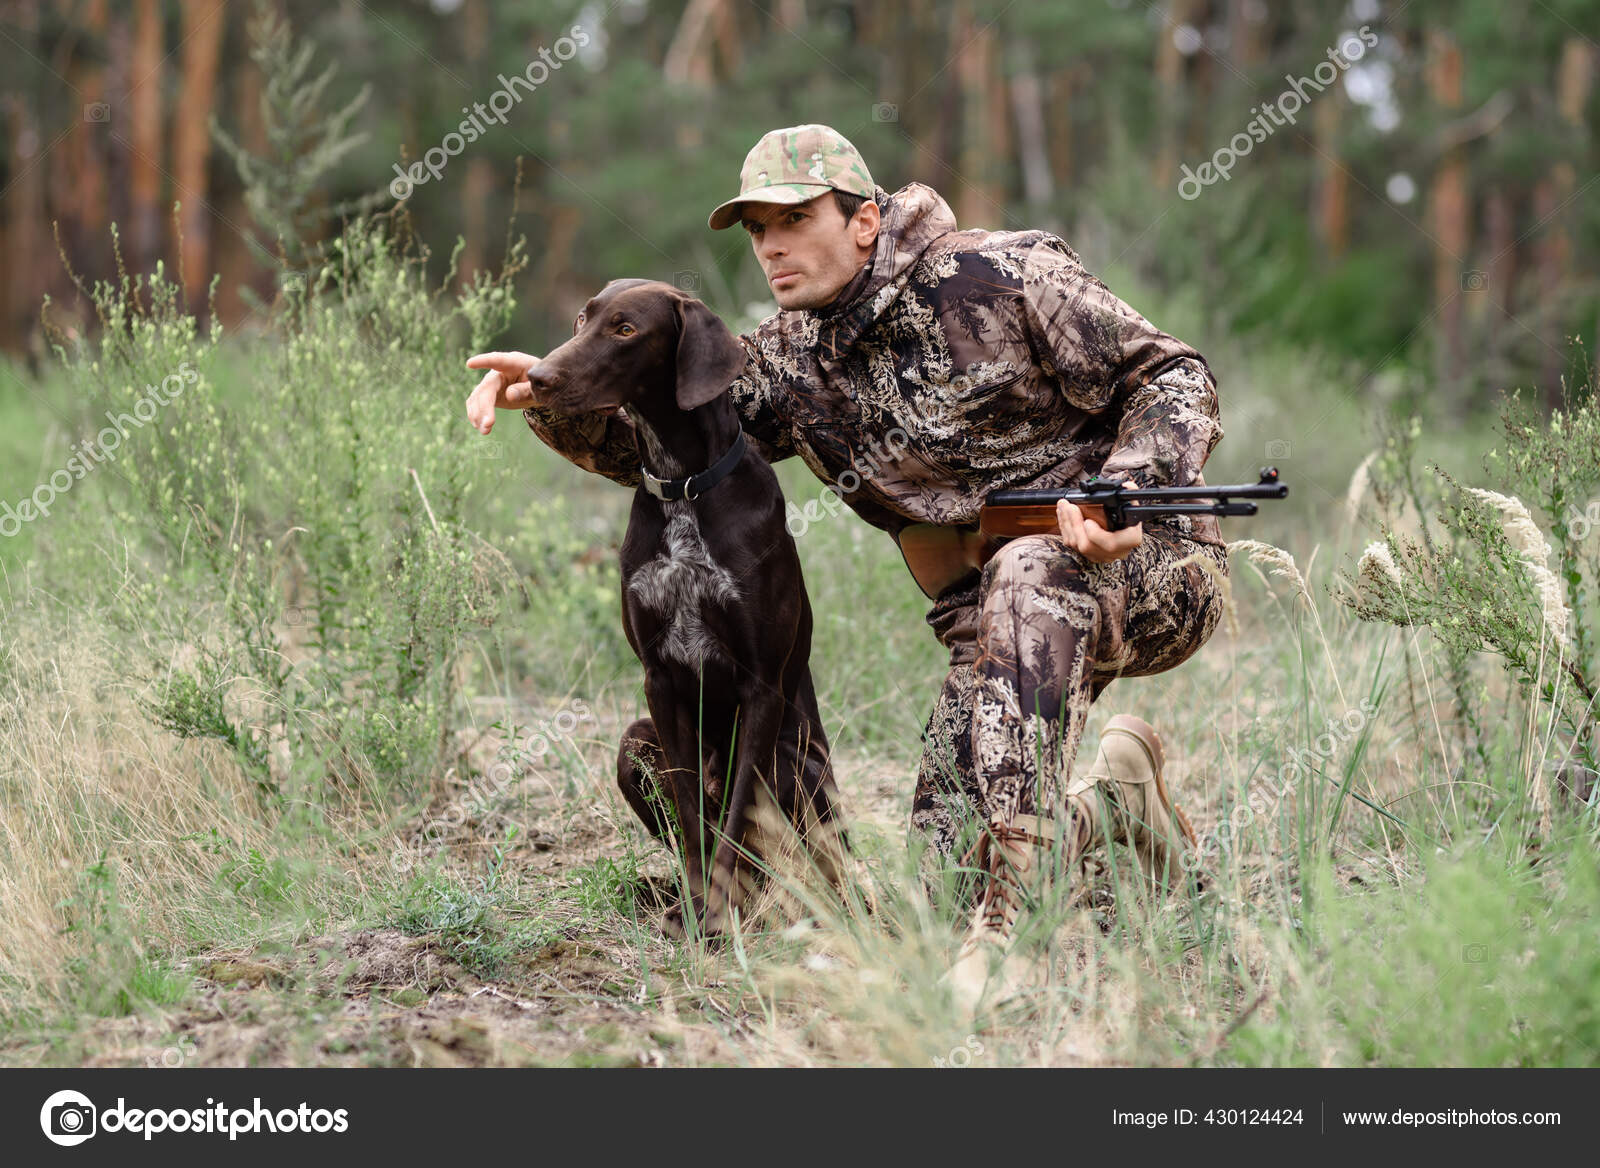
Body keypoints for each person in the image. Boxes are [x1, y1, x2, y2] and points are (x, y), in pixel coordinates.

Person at [465, 124, 1227, 1007]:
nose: (772, 245)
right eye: (754, 229)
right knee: (940, 881)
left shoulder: (1008, 275)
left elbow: (1175, 375)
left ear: (865, 219)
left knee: (1027, 571)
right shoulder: (792, 362)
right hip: (992, 636)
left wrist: (1125, 491)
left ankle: (1012, 936)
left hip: (1151, 573)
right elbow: (672, 431)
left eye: (793, 218)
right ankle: (1118, 811)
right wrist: (549, 389)